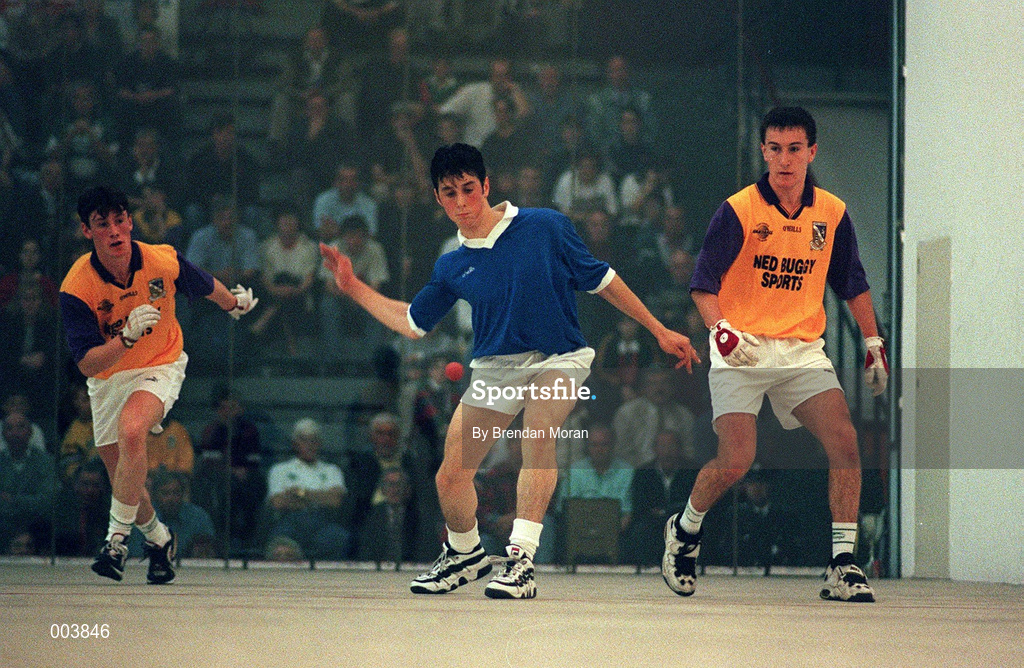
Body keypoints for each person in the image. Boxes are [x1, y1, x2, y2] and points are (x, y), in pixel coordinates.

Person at [320, 142, 699, 599]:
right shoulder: (452, 264)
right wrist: (354, 286)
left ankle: (521, 562)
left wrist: (658, 330)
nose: (461, 202)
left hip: (560, 358)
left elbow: (603, 280)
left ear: (485, 186)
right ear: (438, 199)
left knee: (537, 434)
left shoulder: (546, 225)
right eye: (449, 193)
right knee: (450, 474)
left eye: (468, 189)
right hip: (497, 369)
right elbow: (413, 323)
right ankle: (465, 554)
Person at [663, 107, 886, 603]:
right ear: (763, 151)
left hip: (801, 351)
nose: (784, 159)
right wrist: (719, 331)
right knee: (737, 460)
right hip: (740, 347)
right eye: (775, 149)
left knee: (846, 443)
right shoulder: (738, 210)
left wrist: (872, 343)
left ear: (812, 151)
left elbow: (852, 283)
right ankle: (684, 529)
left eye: (794, 149)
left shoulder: (831, 212)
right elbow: (703, 286)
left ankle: (843, 565)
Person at [58, 185, 257, 583]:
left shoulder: (161, 259)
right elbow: (86, 363)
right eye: (102, 224)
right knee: (125, 478)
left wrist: (234, 304)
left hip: (160, 363)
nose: (114, 231)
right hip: (108, 377)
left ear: (130, 222)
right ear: (87, 231)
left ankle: (115, 543)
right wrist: (125, 338)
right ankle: (159, 539)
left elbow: (203, 284)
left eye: (119, 221)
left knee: (133, 430)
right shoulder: (76, 287)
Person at [266, 418, 350, 561]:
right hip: (290, 521)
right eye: (304, 440)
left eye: (314, 440)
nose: (309, 445)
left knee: (340, 538)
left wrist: (300, 493)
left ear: (320, 444)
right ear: (295, 444)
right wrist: (320, 497)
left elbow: (335, 501)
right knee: (280, 544)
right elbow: (278, 502)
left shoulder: (331, 470)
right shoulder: (280, 470)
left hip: (323, 522)